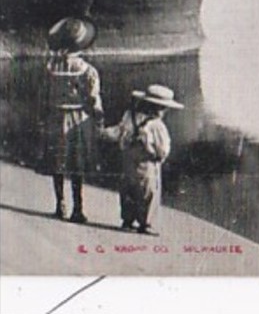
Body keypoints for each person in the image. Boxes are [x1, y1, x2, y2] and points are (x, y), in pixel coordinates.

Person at [37, 17, 104, 223]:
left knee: (58, 163)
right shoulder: (88, 70)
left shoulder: (50, 68)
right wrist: (98, 119)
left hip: (55, 118)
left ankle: (60, 205)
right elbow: (93, 99)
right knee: (77, 164)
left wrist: (41, 119)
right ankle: (78, 208)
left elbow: (42, 97)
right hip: (77, 120)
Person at [103, 83, 183, 234]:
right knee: (148, 191)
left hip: (128, 158)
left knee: (128, 188)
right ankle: (145, 223)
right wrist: (160, 156)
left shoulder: (129, 116)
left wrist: (105, 133)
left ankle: (127, 220)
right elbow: (163, 148)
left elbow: (118, 131)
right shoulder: (157, 126)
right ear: (159, 109)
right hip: (146, 161)